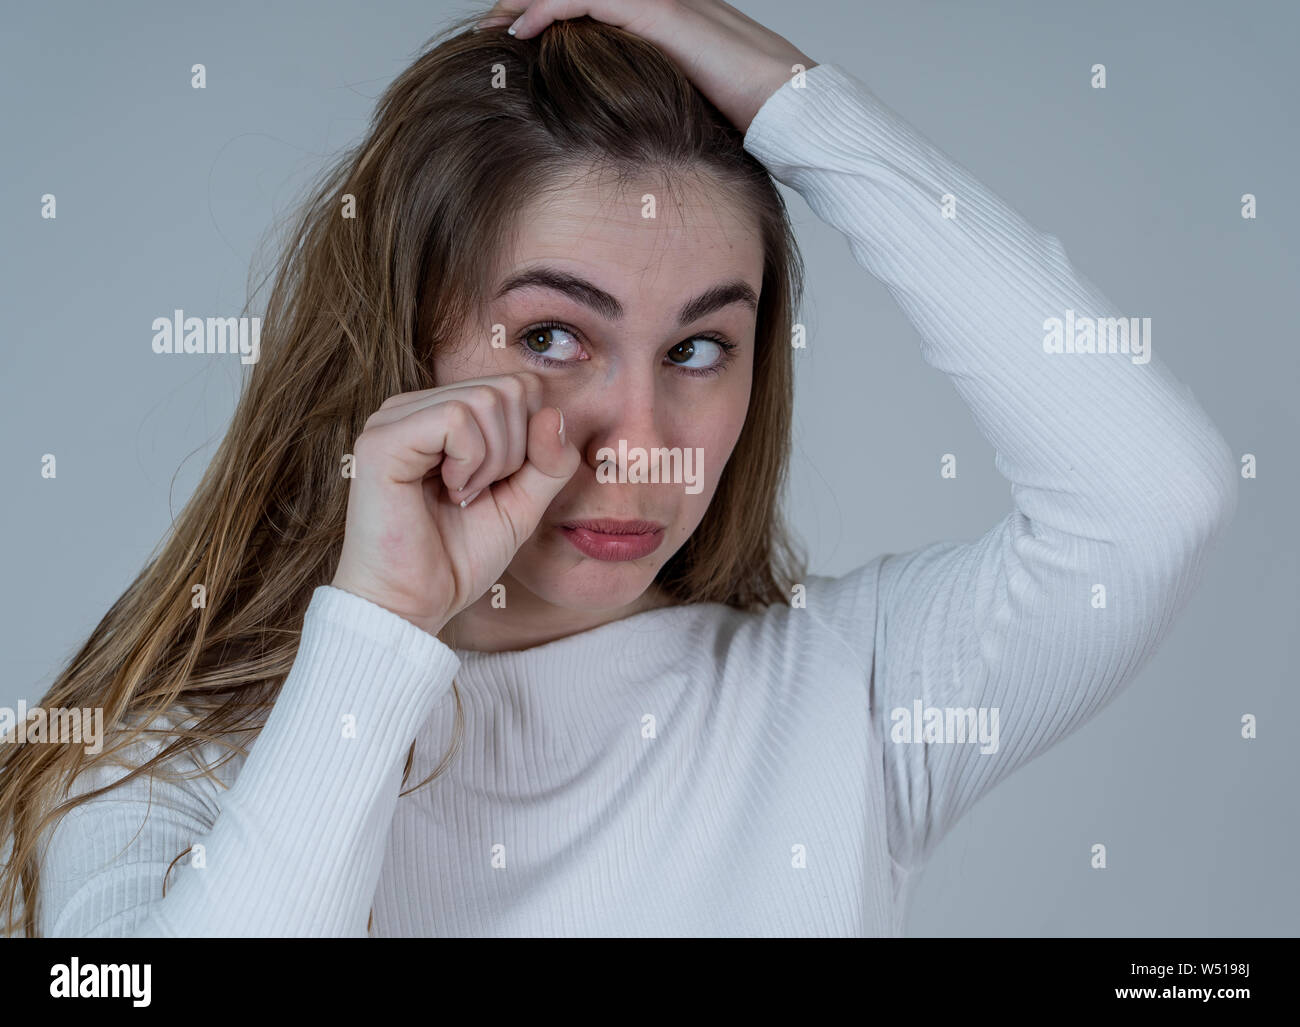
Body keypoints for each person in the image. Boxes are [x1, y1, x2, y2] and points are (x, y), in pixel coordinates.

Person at [1, 0, 1236, 937]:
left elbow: (1154, 497)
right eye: (553, 336)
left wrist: (793, 102)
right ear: (403, 342)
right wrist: (378, 633)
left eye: (701, 346)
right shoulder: (151, 778)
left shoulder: (845, 698)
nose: (639, 436)